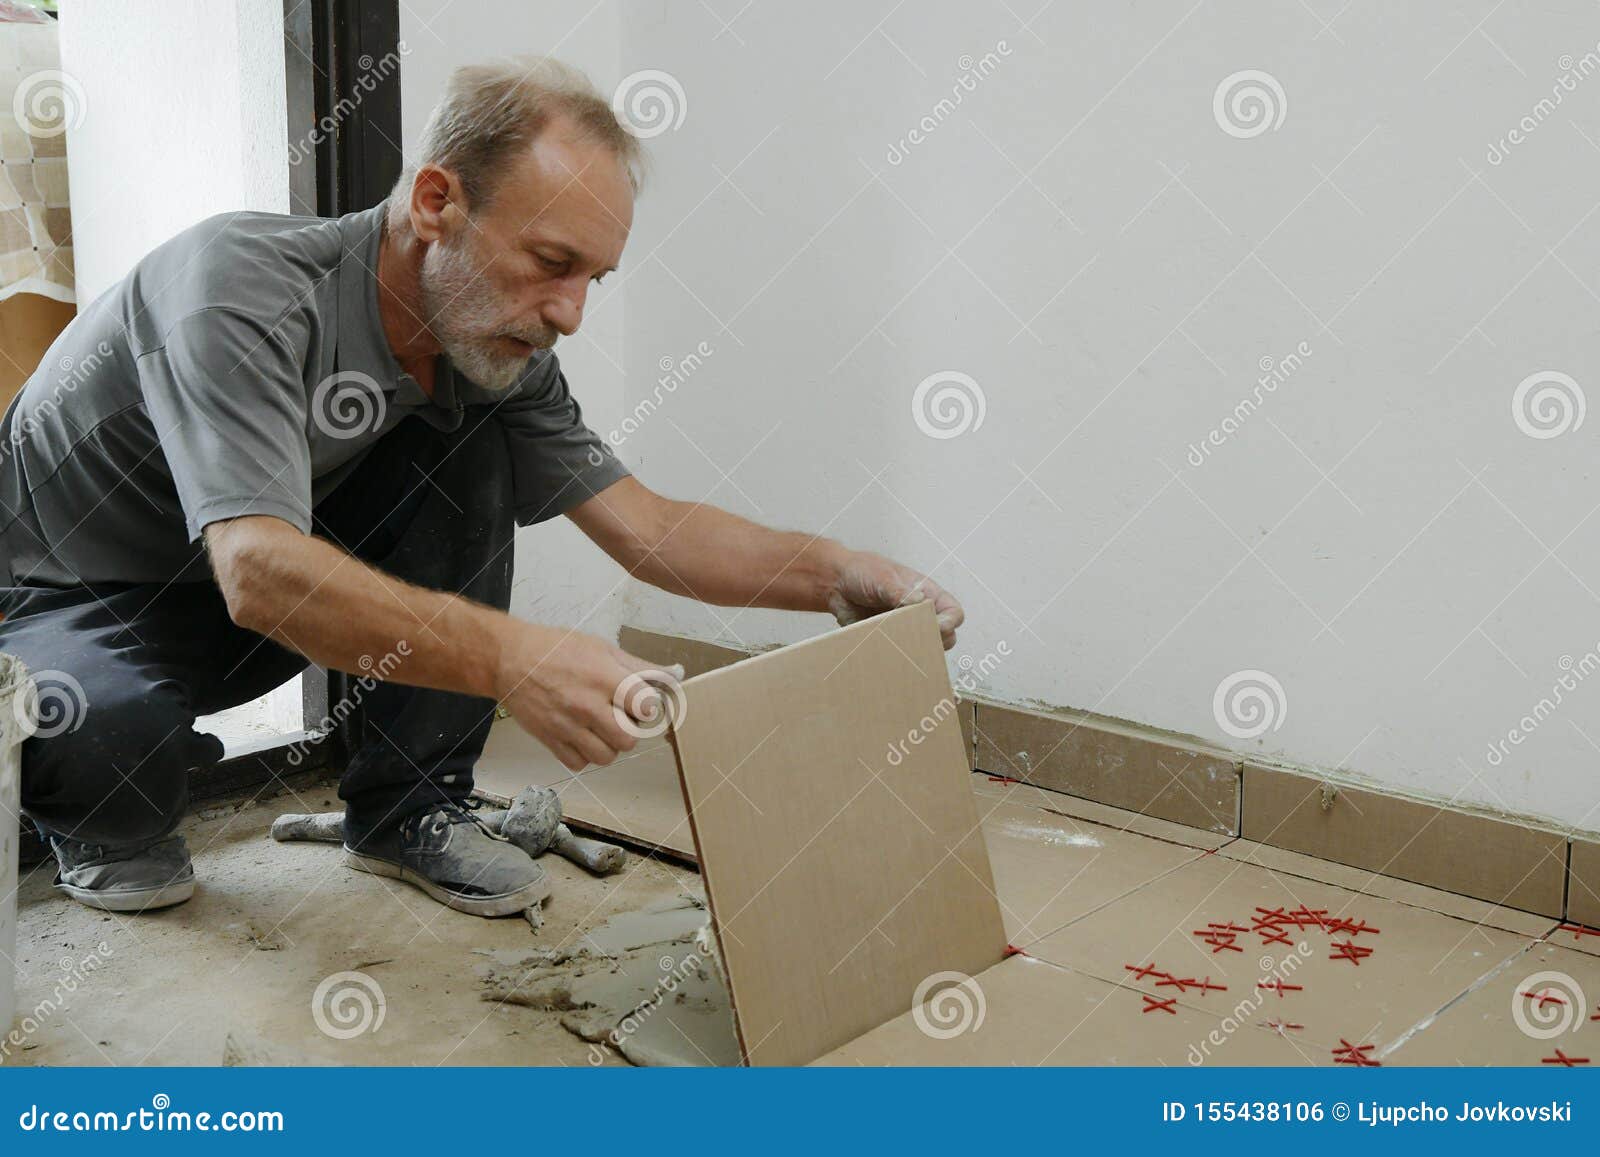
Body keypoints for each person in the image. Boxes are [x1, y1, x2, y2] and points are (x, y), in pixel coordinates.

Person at [0, 58, 963, 917]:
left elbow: (649, 528)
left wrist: (840, 574)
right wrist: (515, 658)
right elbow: (256, 570)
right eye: (552, 264)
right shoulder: (236, 287)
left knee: (470, 431)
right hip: (66, 591)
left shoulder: (492, 345)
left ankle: (408, 807)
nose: (572, 314)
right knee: (111, 743)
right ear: (435, 203)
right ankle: (97, 804)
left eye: (595, 278)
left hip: (234, 607)